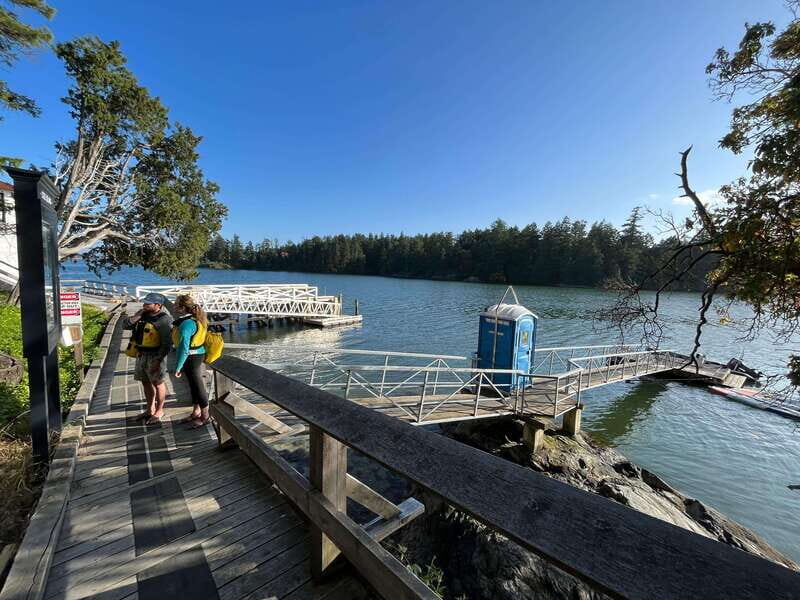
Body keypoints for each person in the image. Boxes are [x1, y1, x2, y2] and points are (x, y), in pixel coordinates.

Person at [123, 293, 172, 424]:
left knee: (158, 383)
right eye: (144, 302)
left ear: (158, 305)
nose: (144, 305)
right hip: (141, 354)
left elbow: (167, 343)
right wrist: (137, 315)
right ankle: (149, 409)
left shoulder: (164, 320)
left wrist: (158, 360)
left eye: (148, 303)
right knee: (145, 381)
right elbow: (125, 325)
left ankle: (159, 410)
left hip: (155, 356)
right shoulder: (142, 315)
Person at [172, 294, 210, 428]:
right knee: (194, 385)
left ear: (182, 308)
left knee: (197, 385)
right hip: (198, 354)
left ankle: (205, 416)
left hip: (191, 357)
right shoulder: (196, 319)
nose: (173, 306)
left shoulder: (187, 324)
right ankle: (196, 411)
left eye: (176, 304)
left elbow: (183, 347)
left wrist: (178, 366)